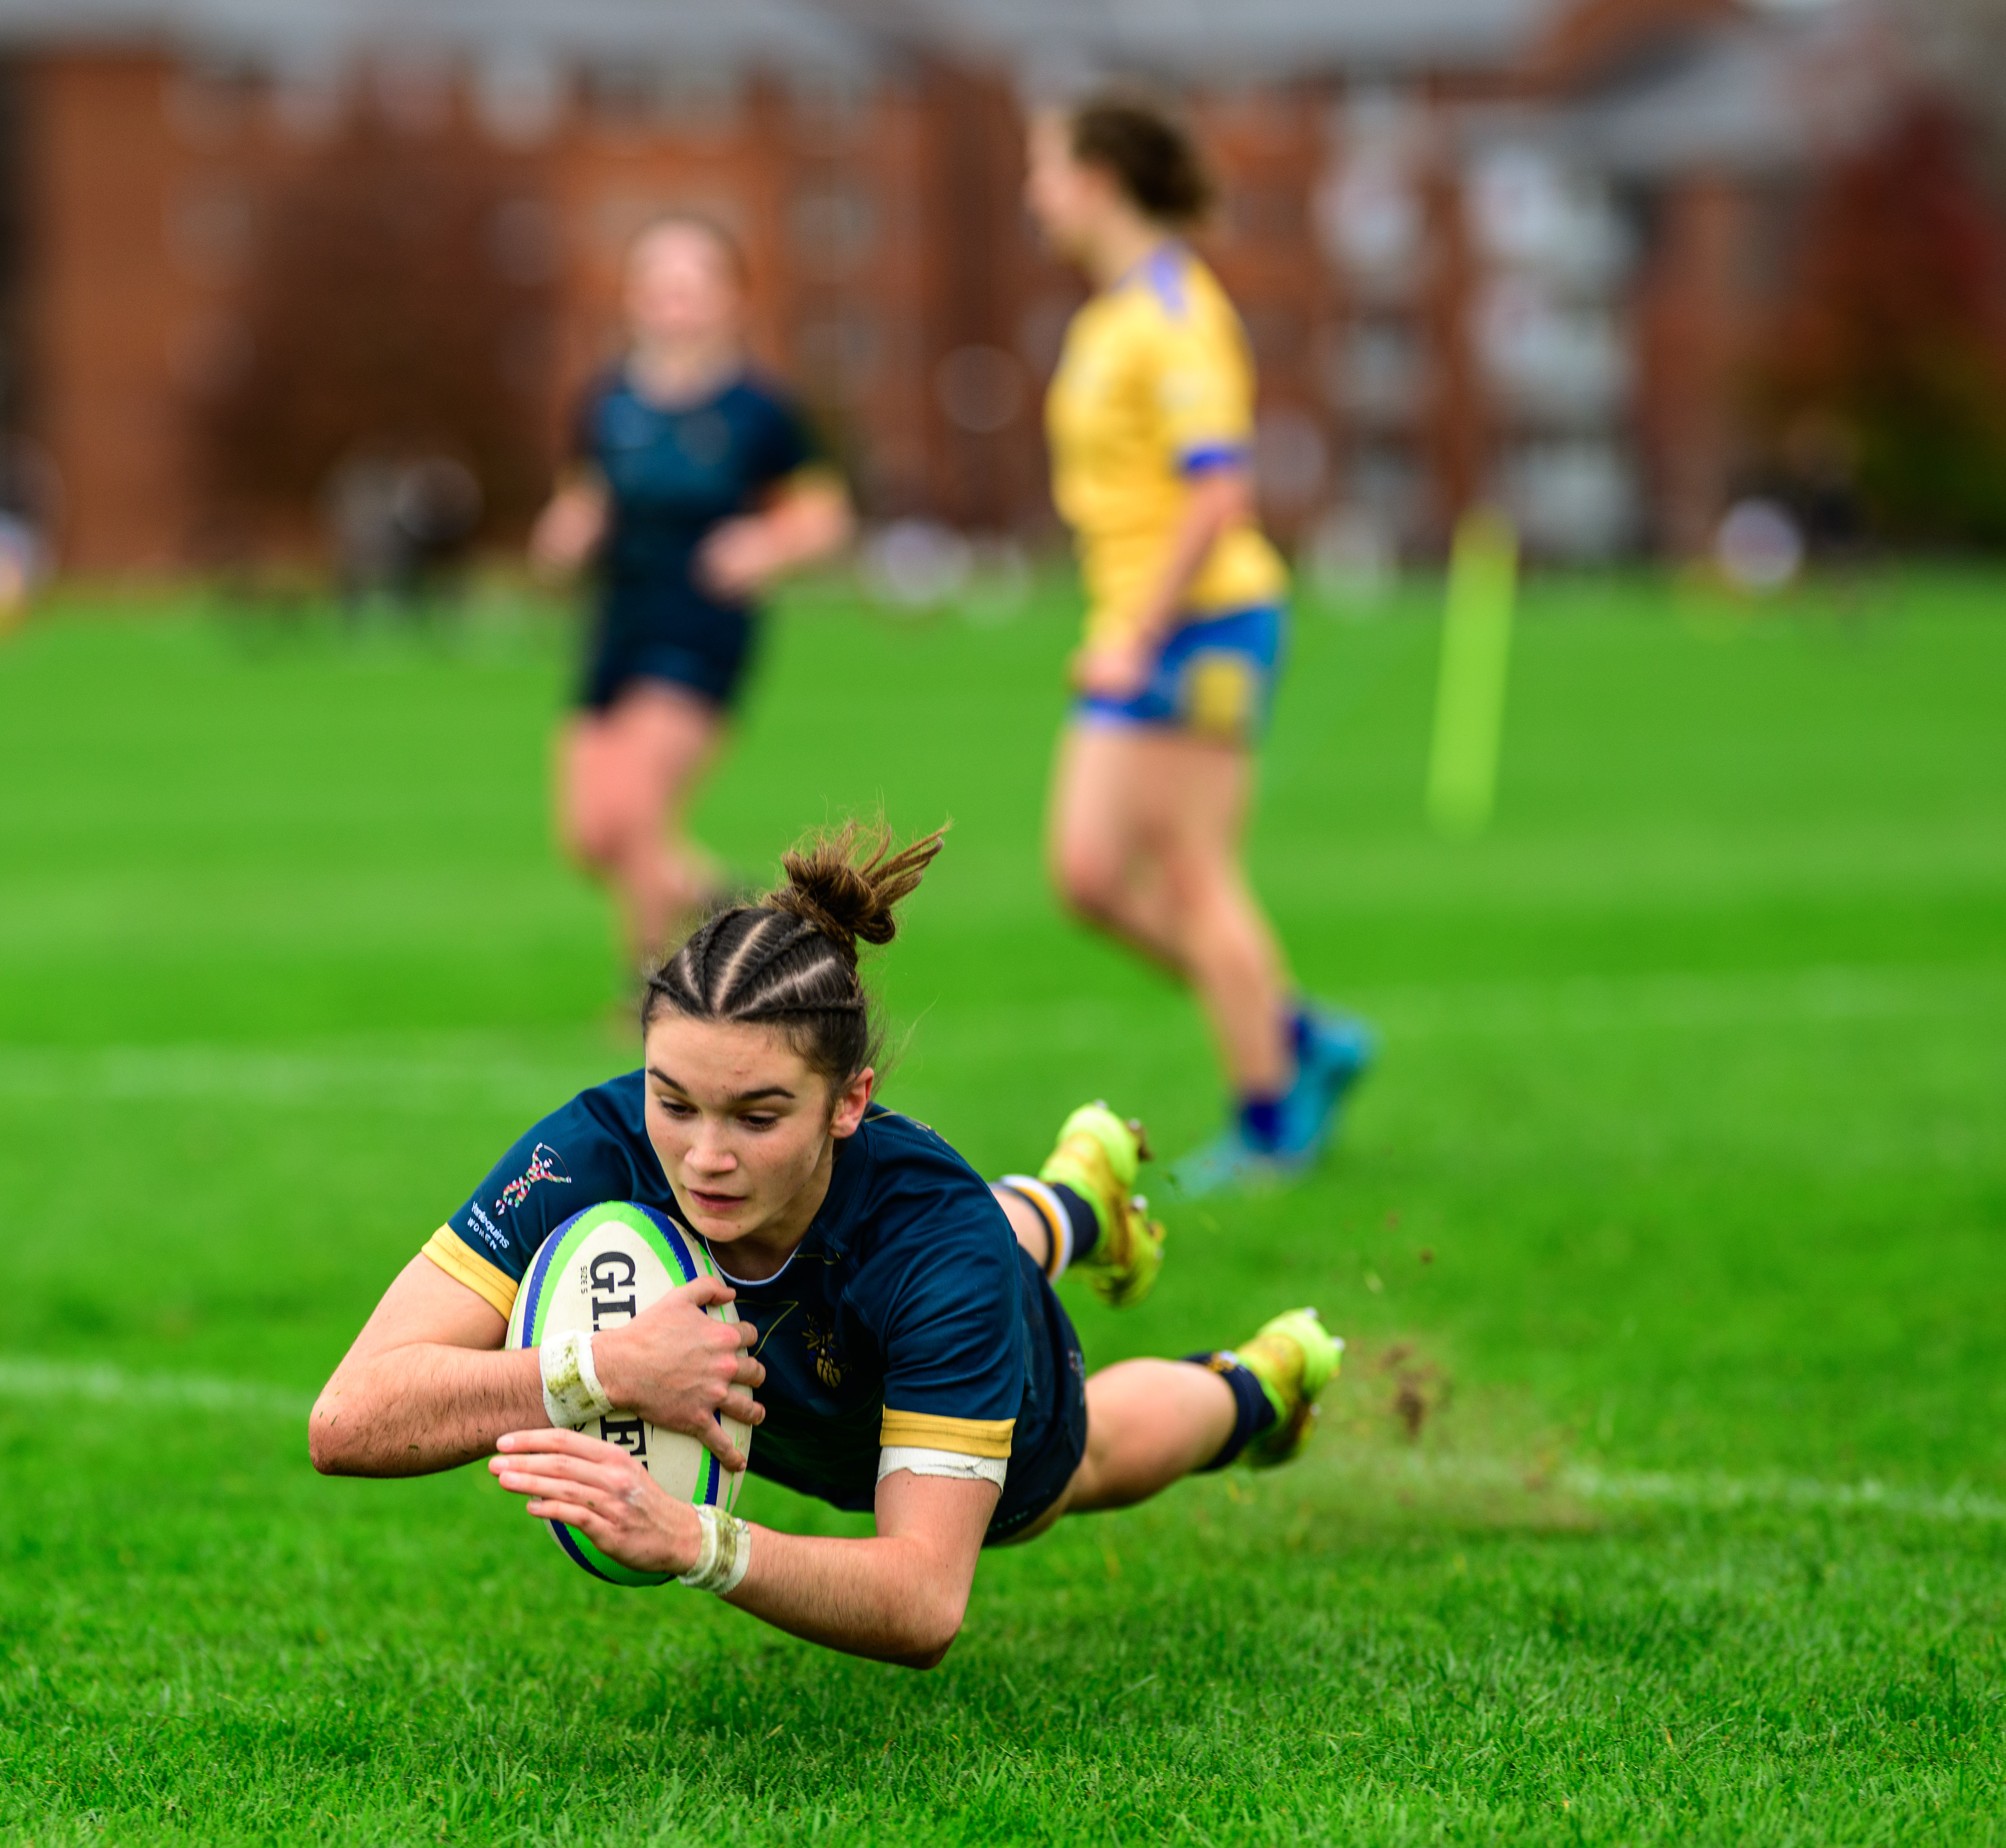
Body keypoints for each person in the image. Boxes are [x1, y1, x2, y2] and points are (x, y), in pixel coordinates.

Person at [308, 822, 1343, 1669]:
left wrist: (696, 1545)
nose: (703, 1157)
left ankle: (1261, 1386)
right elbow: (347, 1420)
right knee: (906, 1258)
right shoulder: (596, 1145)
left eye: (757, 1117)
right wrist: (604, 1370)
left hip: (919, 1331)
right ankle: (1076, 1198)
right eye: (673, 1101)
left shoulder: (940, 1244)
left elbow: (925, 1604)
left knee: (1071, 1474)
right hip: (855, 1293)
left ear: (851, 1101)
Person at [1023, 95, 1374, 1189]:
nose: (1033, 194)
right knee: (1085, 875)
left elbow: (1216, 495)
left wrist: (1136, 628)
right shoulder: (1107, 315)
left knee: (1191, 873)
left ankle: (1270, 1121)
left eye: (1043, 168)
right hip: (1135, 621)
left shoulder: (1175, 312)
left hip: (1199, 622)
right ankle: (1296, 1032)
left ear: (1095, 177)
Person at [529, 217, 854, 974]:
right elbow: (587, 495)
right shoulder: (608, 401)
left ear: (730, 299)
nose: (672, 302)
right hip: (617, 621)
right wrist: (568, 530)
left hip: (701, 627)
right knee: (591, 836)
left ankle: (647, 989)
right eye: (656, 284)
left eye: (691, 285)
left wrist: (765, 545)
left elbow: (826, 516)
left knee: (640, 814)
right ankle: (742, 912)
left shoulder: (758, 409)